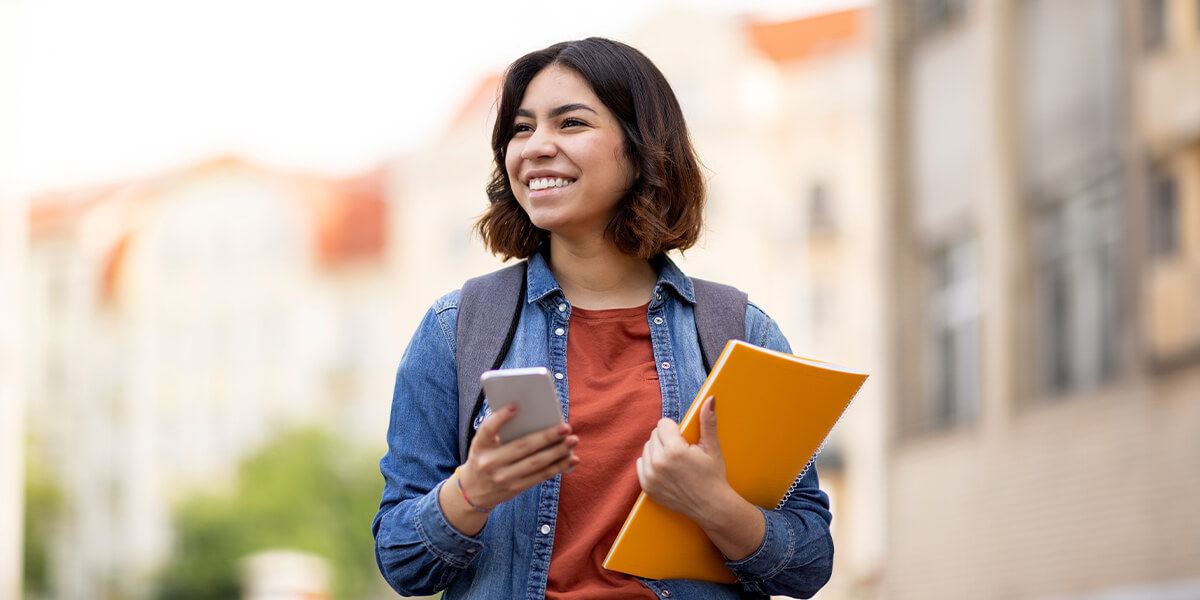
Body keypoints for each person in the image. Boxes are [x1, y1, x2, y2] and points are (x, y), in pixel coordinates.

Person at [372, 37, 833, 599]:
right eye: (521, 128)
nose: (536, 146)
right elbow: (402, 562)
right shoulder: (456, 328)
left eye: (570, 123)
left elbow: (809, 563)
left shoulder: (738, 329)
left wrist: (716, 507)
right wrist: (472, 490)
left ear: (642, 149)